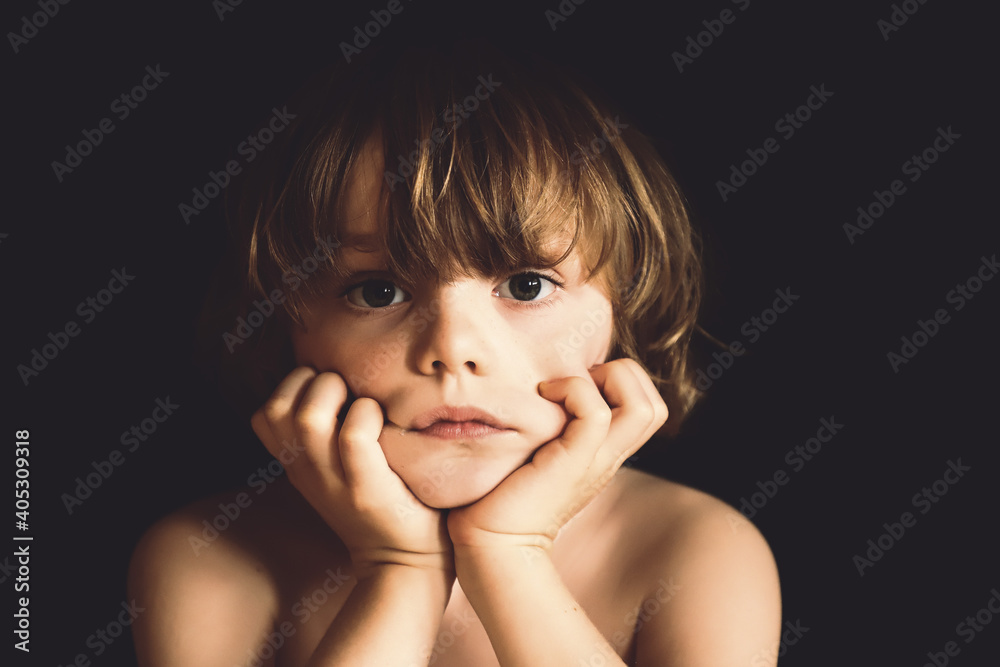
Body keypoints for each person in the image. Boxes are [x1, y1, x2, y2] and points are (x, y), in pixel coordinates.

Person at [128, 39, 782, 666]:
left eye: (527, 285)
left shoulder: (697, 548)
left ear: (622, 309)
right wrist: (397, 570)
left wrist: (510, 551)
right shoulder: (207, 556)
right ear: (287, 326)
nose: (454, 350)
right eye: (377, 290)